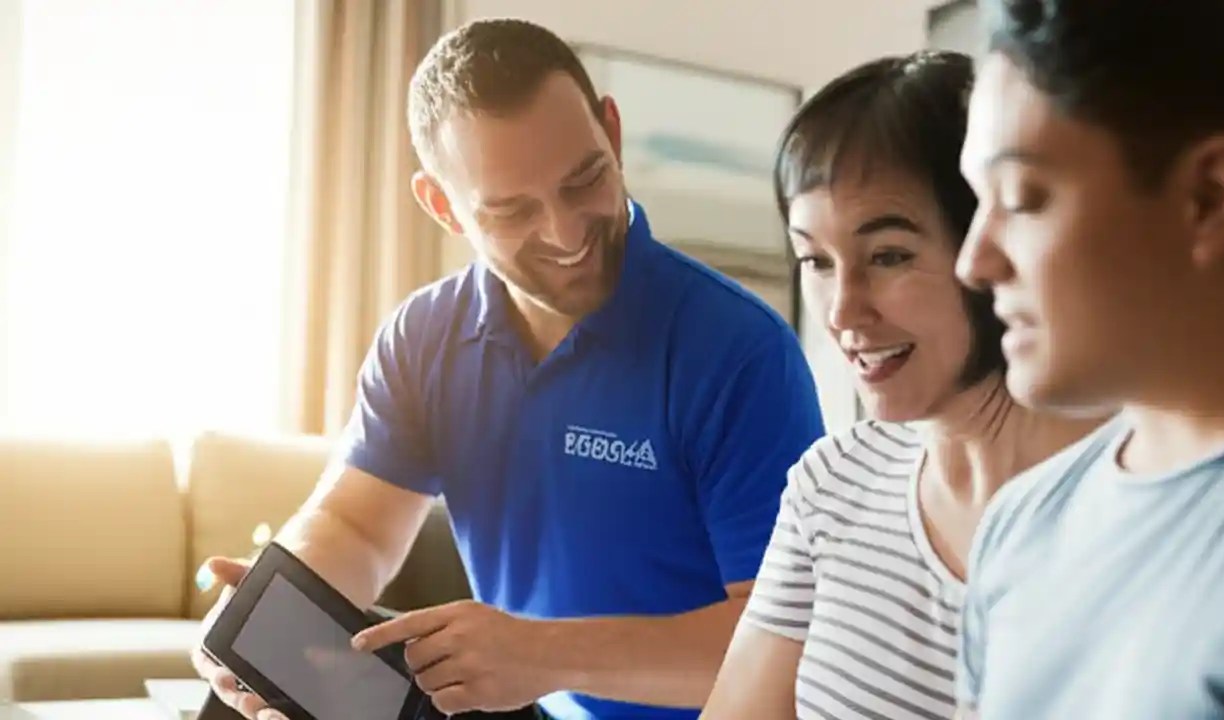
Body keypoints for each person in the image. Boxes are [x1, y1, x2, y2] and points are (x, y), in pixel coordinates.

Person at [191, 18, 825, 720]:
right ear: (442, 206)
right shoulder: (426, 337)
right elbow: (355, 528)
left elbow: (786, 650)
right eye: (513, 211)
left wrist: (541, 654)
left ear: (611, 133)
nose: (565, 233)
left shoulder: (740, 354)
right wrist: (280, 604)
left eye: (585, 179)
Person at [698, 52, 1099, 720]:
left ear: (992, 245)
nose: (842, 311)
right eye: (817, 261)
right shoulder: (832, 483)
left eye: (889, 256)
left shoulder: (1138, 509)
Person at [954, 1, 1224, 717]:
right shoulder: (1020, 528)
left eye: (1022, 198)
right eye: (978, 202)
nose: (974, 262)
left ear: (1207, 195)